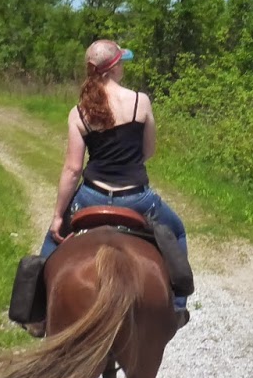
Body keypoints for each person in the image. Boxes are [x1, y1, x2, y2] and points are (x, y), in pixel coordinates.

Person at [39, 39, 189, 329]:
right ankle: (178, 306)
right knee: (178, 231)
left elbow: (73, 169)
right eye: (121, 62)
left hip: (91, 196)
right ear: (115, 67)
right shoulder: (140, 102)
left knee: (51, 238)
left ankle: (40, 313)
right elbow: (148, 152)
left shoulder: (79, 112)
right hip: (137, 199)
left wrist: (58, 216)